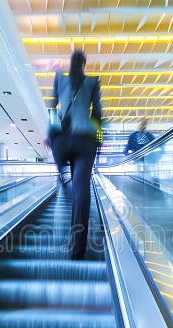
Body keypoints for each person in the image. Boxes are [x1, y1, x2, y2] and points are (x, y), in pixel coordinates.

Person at [49, 50, 102, 260]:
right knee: (82, 191)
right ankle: (77, 248)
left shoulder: (59, 79)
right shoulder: (92, 82)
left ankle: (62, 179)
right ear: (84, 65)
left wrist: (50, 133)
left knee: (68, 178)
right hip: (85, 140)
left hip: (63, 140)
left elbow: (52, 108)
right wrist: (99, 138)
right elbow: (97, 112)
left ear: (70, 63)